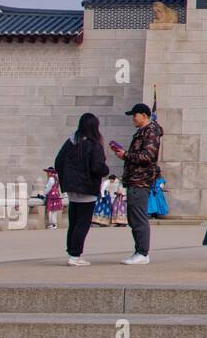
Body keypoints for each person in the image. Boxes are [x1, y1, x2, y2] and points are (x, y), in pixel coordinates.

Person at [53, 112, 111, 266]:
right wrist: (106, 170)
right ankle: (75, 255)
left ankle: (72, 251)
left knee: (74, 221)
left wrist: (68, 177)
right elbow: (98, 167)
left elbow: (58, 162)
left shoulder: (71, 142)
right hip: (87, 188)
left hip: (72, 189)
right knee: (82, 223)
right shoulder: (94, 144)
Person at [111, 103, 162, 265]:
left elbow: (148, 156)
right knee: (134, 218)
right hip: (134, 179)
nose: (133, 118)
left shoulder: (150, 132)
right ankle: (139, 251)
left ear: (144, 115)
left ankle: (142, 252)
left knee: (138, 218)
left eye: (135, 115)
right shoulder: (142, 132)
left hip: (141, 180)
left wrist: (127, 155)